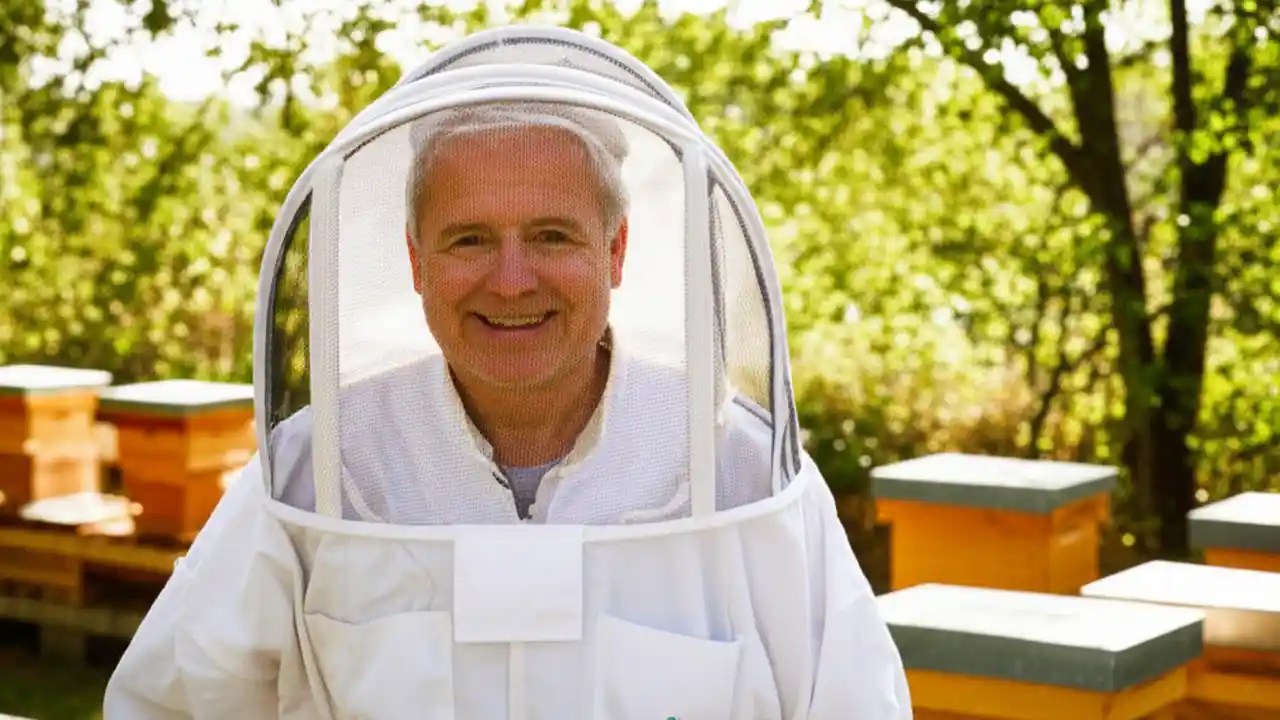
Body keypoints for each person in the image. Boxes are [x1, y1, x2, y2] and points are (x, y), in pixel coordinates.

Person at [104, 26, 911, 719]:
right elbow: (169, 698)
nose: (514, 281)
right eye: (469, 240)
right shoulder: (324, 465)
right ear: (417, 261)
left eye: (554, 236)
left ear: (616, 252)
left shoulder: (737, 468)